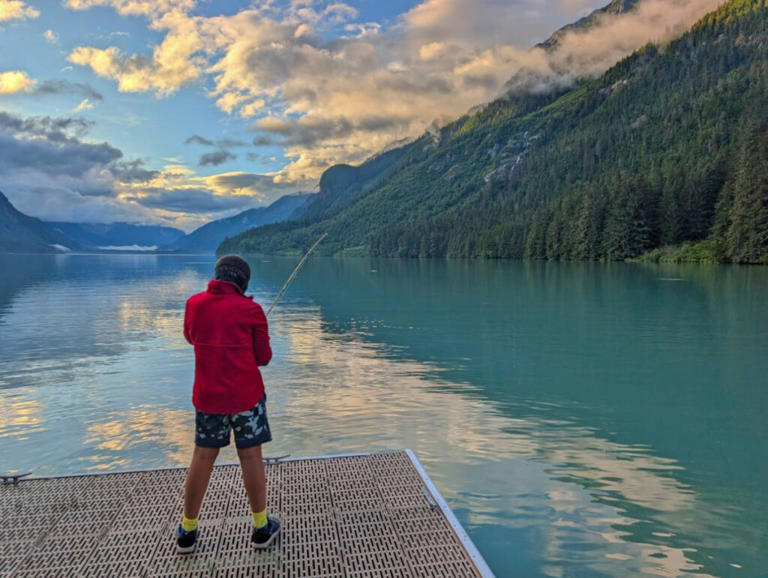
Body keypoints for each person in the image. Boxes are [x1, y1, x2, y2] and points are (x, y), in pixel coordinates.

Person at [175, 255, 280, 553]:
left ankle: (187, 532)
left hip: (208, 398)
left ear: (217, 276)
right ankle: (261, 528)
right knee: (251, 457)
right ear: (243, 282)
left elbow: (191, 337)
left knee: (202, 457)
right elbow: (263, 358)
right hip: (247, 399)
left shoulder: (194, 304)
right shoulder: (252, 310)